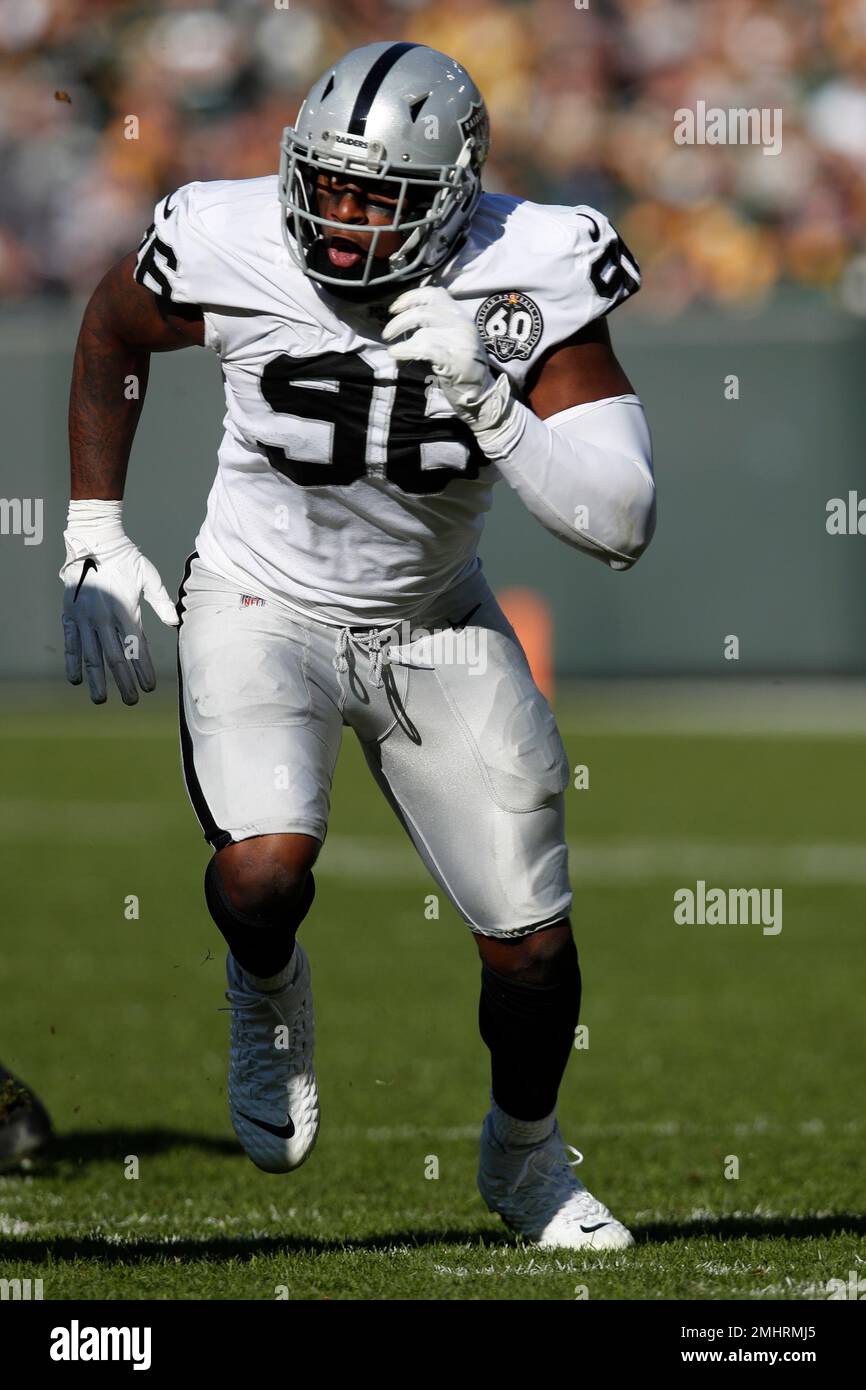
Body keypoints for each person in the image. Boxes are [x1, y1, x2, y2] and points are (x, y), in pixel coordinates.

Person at [61, 41, 655, 1249]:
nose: (336, 219)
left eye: (373, 197)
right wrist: (90, 530)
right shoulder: (225, 234)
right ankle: (266, 987)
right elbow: (113, 330)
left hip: (432, 617)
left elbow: (622, 519)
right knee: (261, 871)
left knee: (533, 950)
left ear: (449, 197)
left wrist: (490, 394)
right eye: (323, 184)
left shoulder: (529, 263)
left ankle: (527, 1159)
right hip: (258, 598)